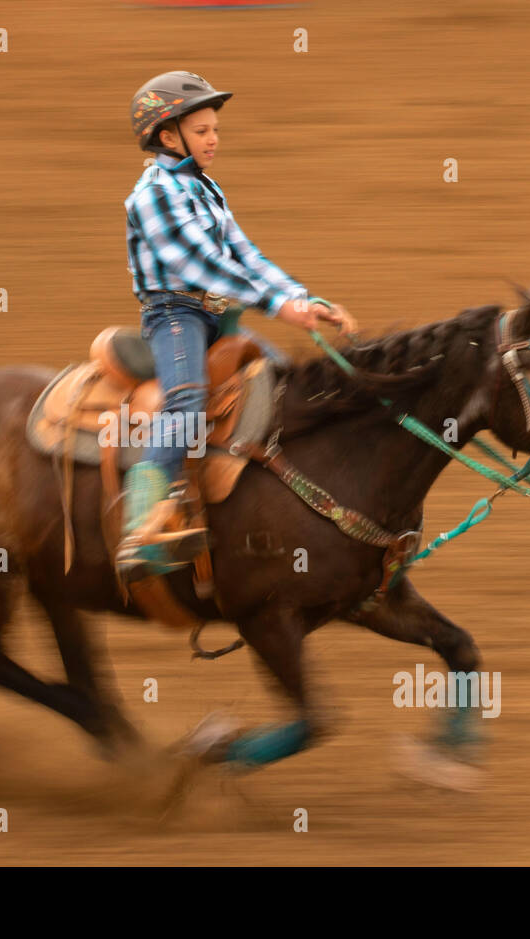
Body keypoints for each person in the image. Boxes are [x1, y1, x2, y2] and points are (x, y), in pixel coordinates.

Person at [119, 70, 357, 577]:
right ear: (168, 136)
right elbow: (202, 264)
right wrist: (278, 305)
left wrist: (301, 297)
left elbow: (247, 255)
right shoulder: (153, 195)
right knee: (185, 400)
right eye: (202, 130)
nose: (213, 139)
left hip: (219, 316)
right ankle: (140, 528)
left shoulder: (206, 190)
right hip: (175, 314)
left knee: (284, 382)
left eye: (215, 130)